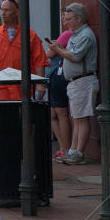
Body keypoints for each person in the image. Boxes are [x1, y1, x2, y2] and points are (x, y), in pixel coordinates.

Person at [47, 2, 99, 165]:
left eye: (69, 19)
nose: (66, 22)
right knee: (76, 118)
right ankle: (72, 151)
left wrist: (57, 49)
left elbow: (75, 57)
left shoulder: (85, 35)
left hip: (83, 80)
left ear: (78, 18)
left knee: (81, 118)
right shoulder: (76, 34)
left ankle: (78, 152)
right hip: (75, 82)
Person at [0, 0, 48, 102]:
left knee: (23, 118)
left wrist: (40, 84)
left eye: (7, 10)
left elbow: (39, 61)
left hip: (24, 90)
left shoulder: (30, 35)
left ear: (16, 12)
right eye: (2, 10)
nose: (3, 13)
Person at [45, 15, 73, 160]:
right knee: (53, 114)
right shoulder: (71, 35)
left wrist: (52, 46)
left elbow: (49, 54)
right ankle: (63, 147)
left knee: (61, 113)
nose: (64, 21)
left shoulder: (67, 34)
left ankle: (65, 148)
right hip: (58, 76)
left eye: (67, 19)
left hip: (58, 76)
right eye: (63, 18)